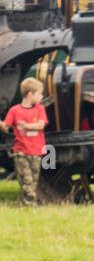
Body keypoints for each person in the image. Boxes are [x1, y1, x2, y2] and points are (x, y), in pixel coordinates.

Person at [1, 77, 48, 206]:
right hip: (21, 152)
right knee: (27, 182)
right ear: (30, 94)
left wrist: (26, 126)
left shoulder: (40, 109)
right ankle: (32, 206)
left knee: (32, 182)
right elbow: (6, 126)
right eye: (39, 93)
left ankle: (22, 206)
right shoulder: (14, 111)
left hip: (36, 151)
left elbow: (41, 125)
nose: (42, 96)